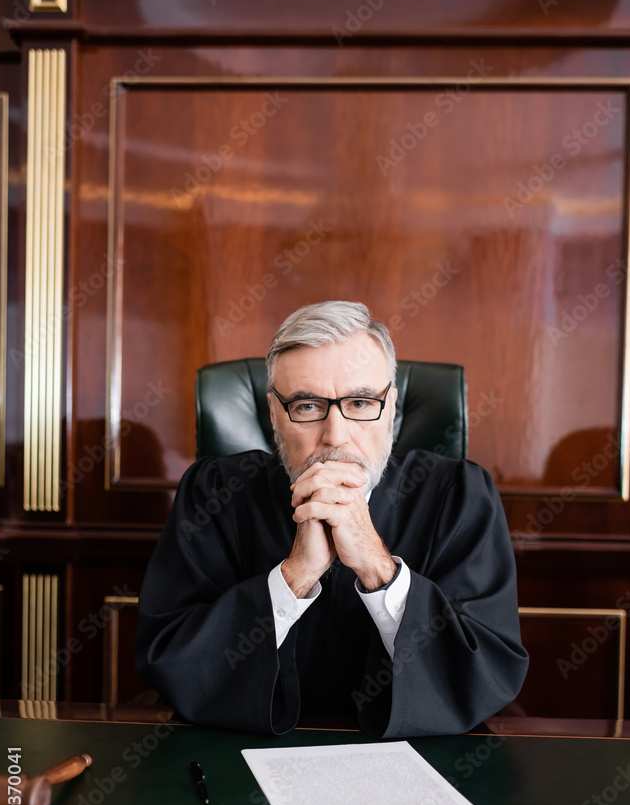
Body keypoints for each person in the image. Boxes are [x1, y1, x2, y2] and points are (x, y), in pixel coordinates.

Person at [134, 301, 528, 736]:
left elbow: (486, 675)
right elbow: (171, 661)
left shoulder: (461, 495)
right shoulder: (214, 493)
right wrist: (294, 576)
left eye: (360, 402)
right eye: (306, 406)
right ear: (274, 414)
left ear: (391, 407)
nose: (336, 436)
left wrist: (378, 569)